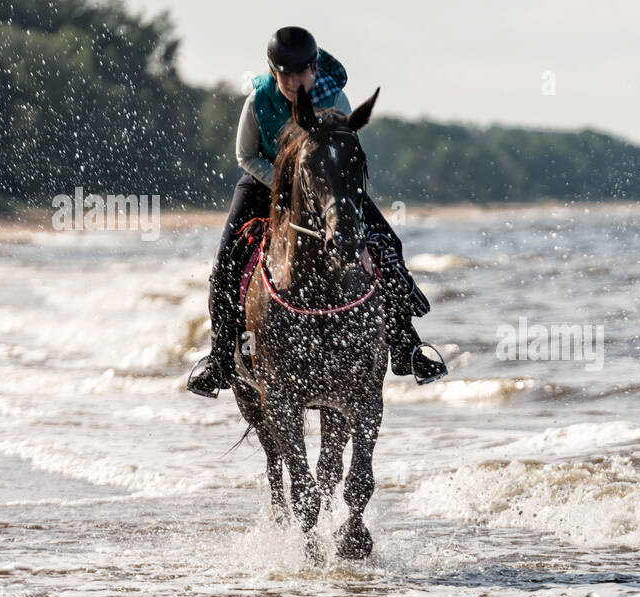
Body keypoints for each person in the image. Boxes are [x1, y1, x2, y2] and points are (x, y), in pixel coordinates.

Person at [186, 26, 446, 397]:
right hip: (265, 182)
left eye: (301, 72)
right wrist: (282, 182)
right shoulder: (257, 100)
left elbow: (340, 155)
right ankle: (220, 360)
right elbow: (246, 155)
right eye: (285, 75)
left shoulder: (334, 98)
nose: (293, 82)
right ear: (274, 73)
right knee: (225, 262)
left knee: (388, 243)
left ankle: (407, 347)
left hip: (325, 187)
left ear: (314, 68)